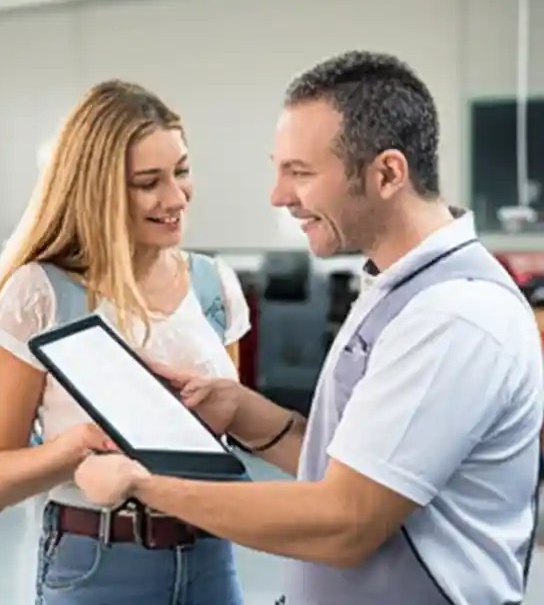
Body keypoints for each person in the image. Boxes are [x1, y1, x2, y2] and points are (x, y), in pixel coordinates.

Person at [73, 51, 544, 604]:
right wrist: (244, 413)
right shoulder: (397, 286)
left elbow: (344, 521)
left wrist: (140, 485)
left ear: (387, 173)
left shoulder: (452, 315)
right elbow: (369, 466)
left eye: (300, 173)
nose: (278, 195)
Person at [0, 79, 254, 604]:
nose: (175, 197)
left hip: (212, 559)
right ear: (97, 187)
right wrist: (79, 446)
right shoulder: (40, 293)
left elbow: (233, 434)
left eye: (182, 171)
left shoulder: (217, 287)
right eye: (148, 182)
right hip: (97, 565)